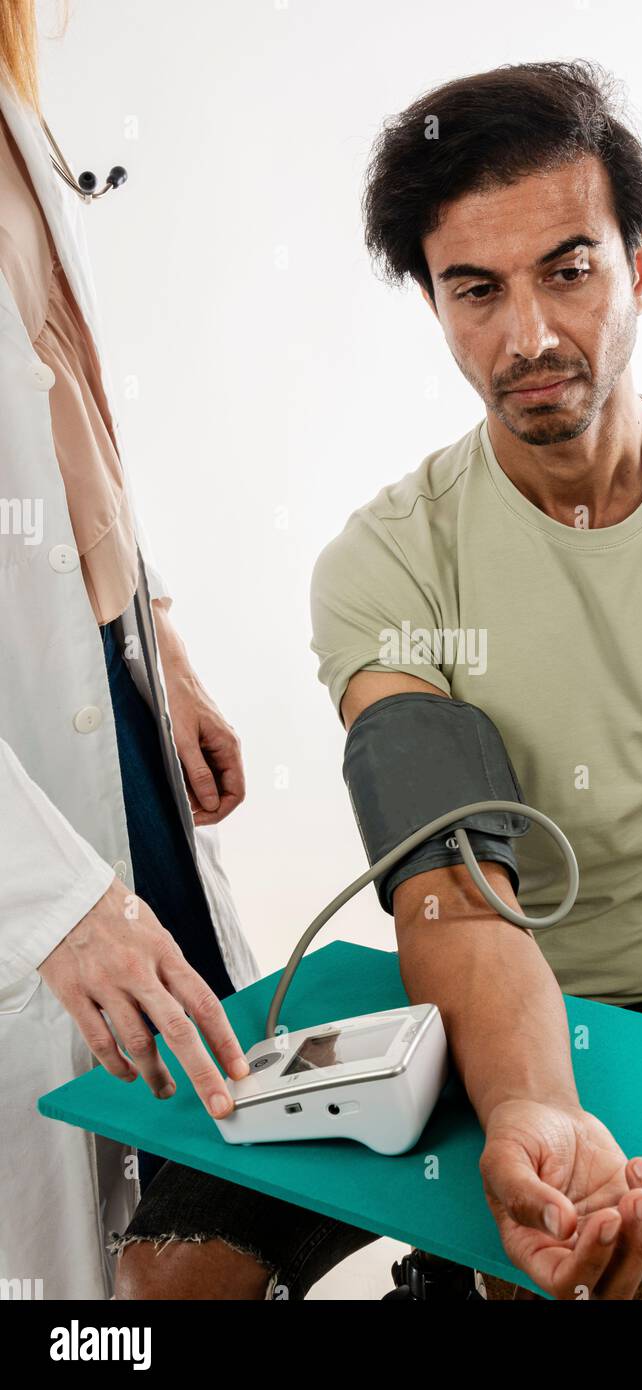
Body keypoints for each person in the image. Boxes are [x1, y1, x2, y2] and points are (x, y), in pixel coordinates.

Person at [115, 59, 642, 1302]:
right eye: (475, 289)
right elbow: (452, 886)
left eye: (569, 269)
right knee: (164, 1287)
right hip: (463, 1007)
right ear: (436, 305)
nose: (526, 335)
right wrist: (527, 1097)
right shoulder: (386, 560)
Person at [0, 2, 259, 1300]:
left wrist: (158, 637)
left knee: (225, 1159)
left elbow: (63, 416)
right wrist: (40, 895)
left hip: (104, 701)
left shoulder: (11, 98)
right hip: (20, 800)